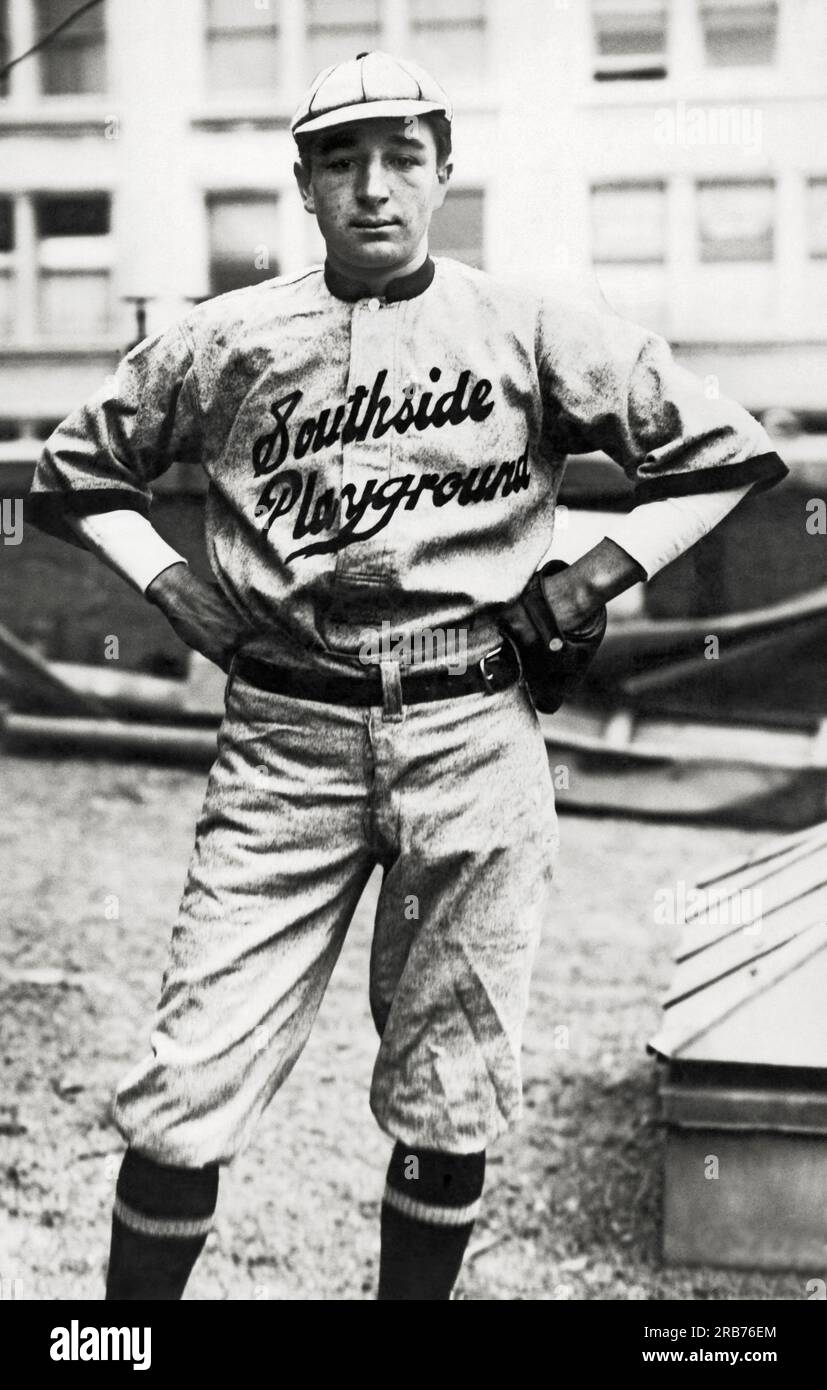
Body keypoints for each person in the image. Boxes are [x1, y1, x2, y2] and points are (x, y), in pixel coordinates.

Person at [26, 50, 786, 1301]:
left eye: (400, 158)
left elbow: (722, 452)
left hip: (473, 724)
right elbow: (73, 473)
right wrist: (172, 589)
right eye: (341, 160)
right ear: (304, 186)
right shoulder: (226, 337)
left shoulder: (529, 323)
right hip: (287, 730)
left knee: (451, 1086)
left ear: (441, 172)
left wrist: (594, 571)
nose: (372, 188)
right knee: (186, 1079)